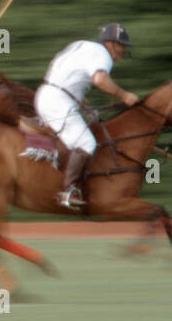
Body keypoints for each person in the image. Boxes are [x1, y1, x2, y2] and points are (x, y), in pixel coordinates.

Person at [34, 23, 139, 209]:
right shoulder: (102, 54)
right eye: (121, 45)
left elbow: (69, 78)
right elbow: (99, 80)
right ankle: (67, 191)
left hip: (50, 94)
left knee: (79, 134)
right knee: (86, 143)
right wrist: (124, 95)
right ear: (111, 43)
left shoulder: (82, 46)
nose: (122, 51)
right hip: (57, 100)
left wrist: (84, 104)